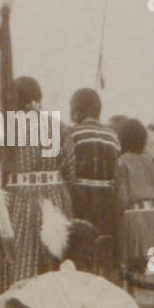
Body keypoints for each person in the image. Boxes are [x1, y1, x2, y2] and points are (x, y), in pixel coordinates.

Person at [0, 76, 75, 298]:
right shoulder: (60, 127)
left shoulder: (5, 129)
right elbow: (70, 170)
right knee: (54, 260)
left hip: (19, 200)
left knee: (20, 261)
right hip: (55, 199)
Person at [66, 88, 121, 279]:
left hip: (80, 197)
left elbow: (67, 169)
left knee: (80, 246)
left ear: (76, 112)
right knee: (104, 246)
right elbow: (117, 172)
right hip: (107, 199)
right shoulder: (113, 136)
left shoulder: (71, 133)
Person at [113, 118, 154, 284]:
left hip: (131, 219)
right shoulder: (151, 165)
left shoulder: (120, 163)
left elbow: (122, 197)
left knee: (131, 269)